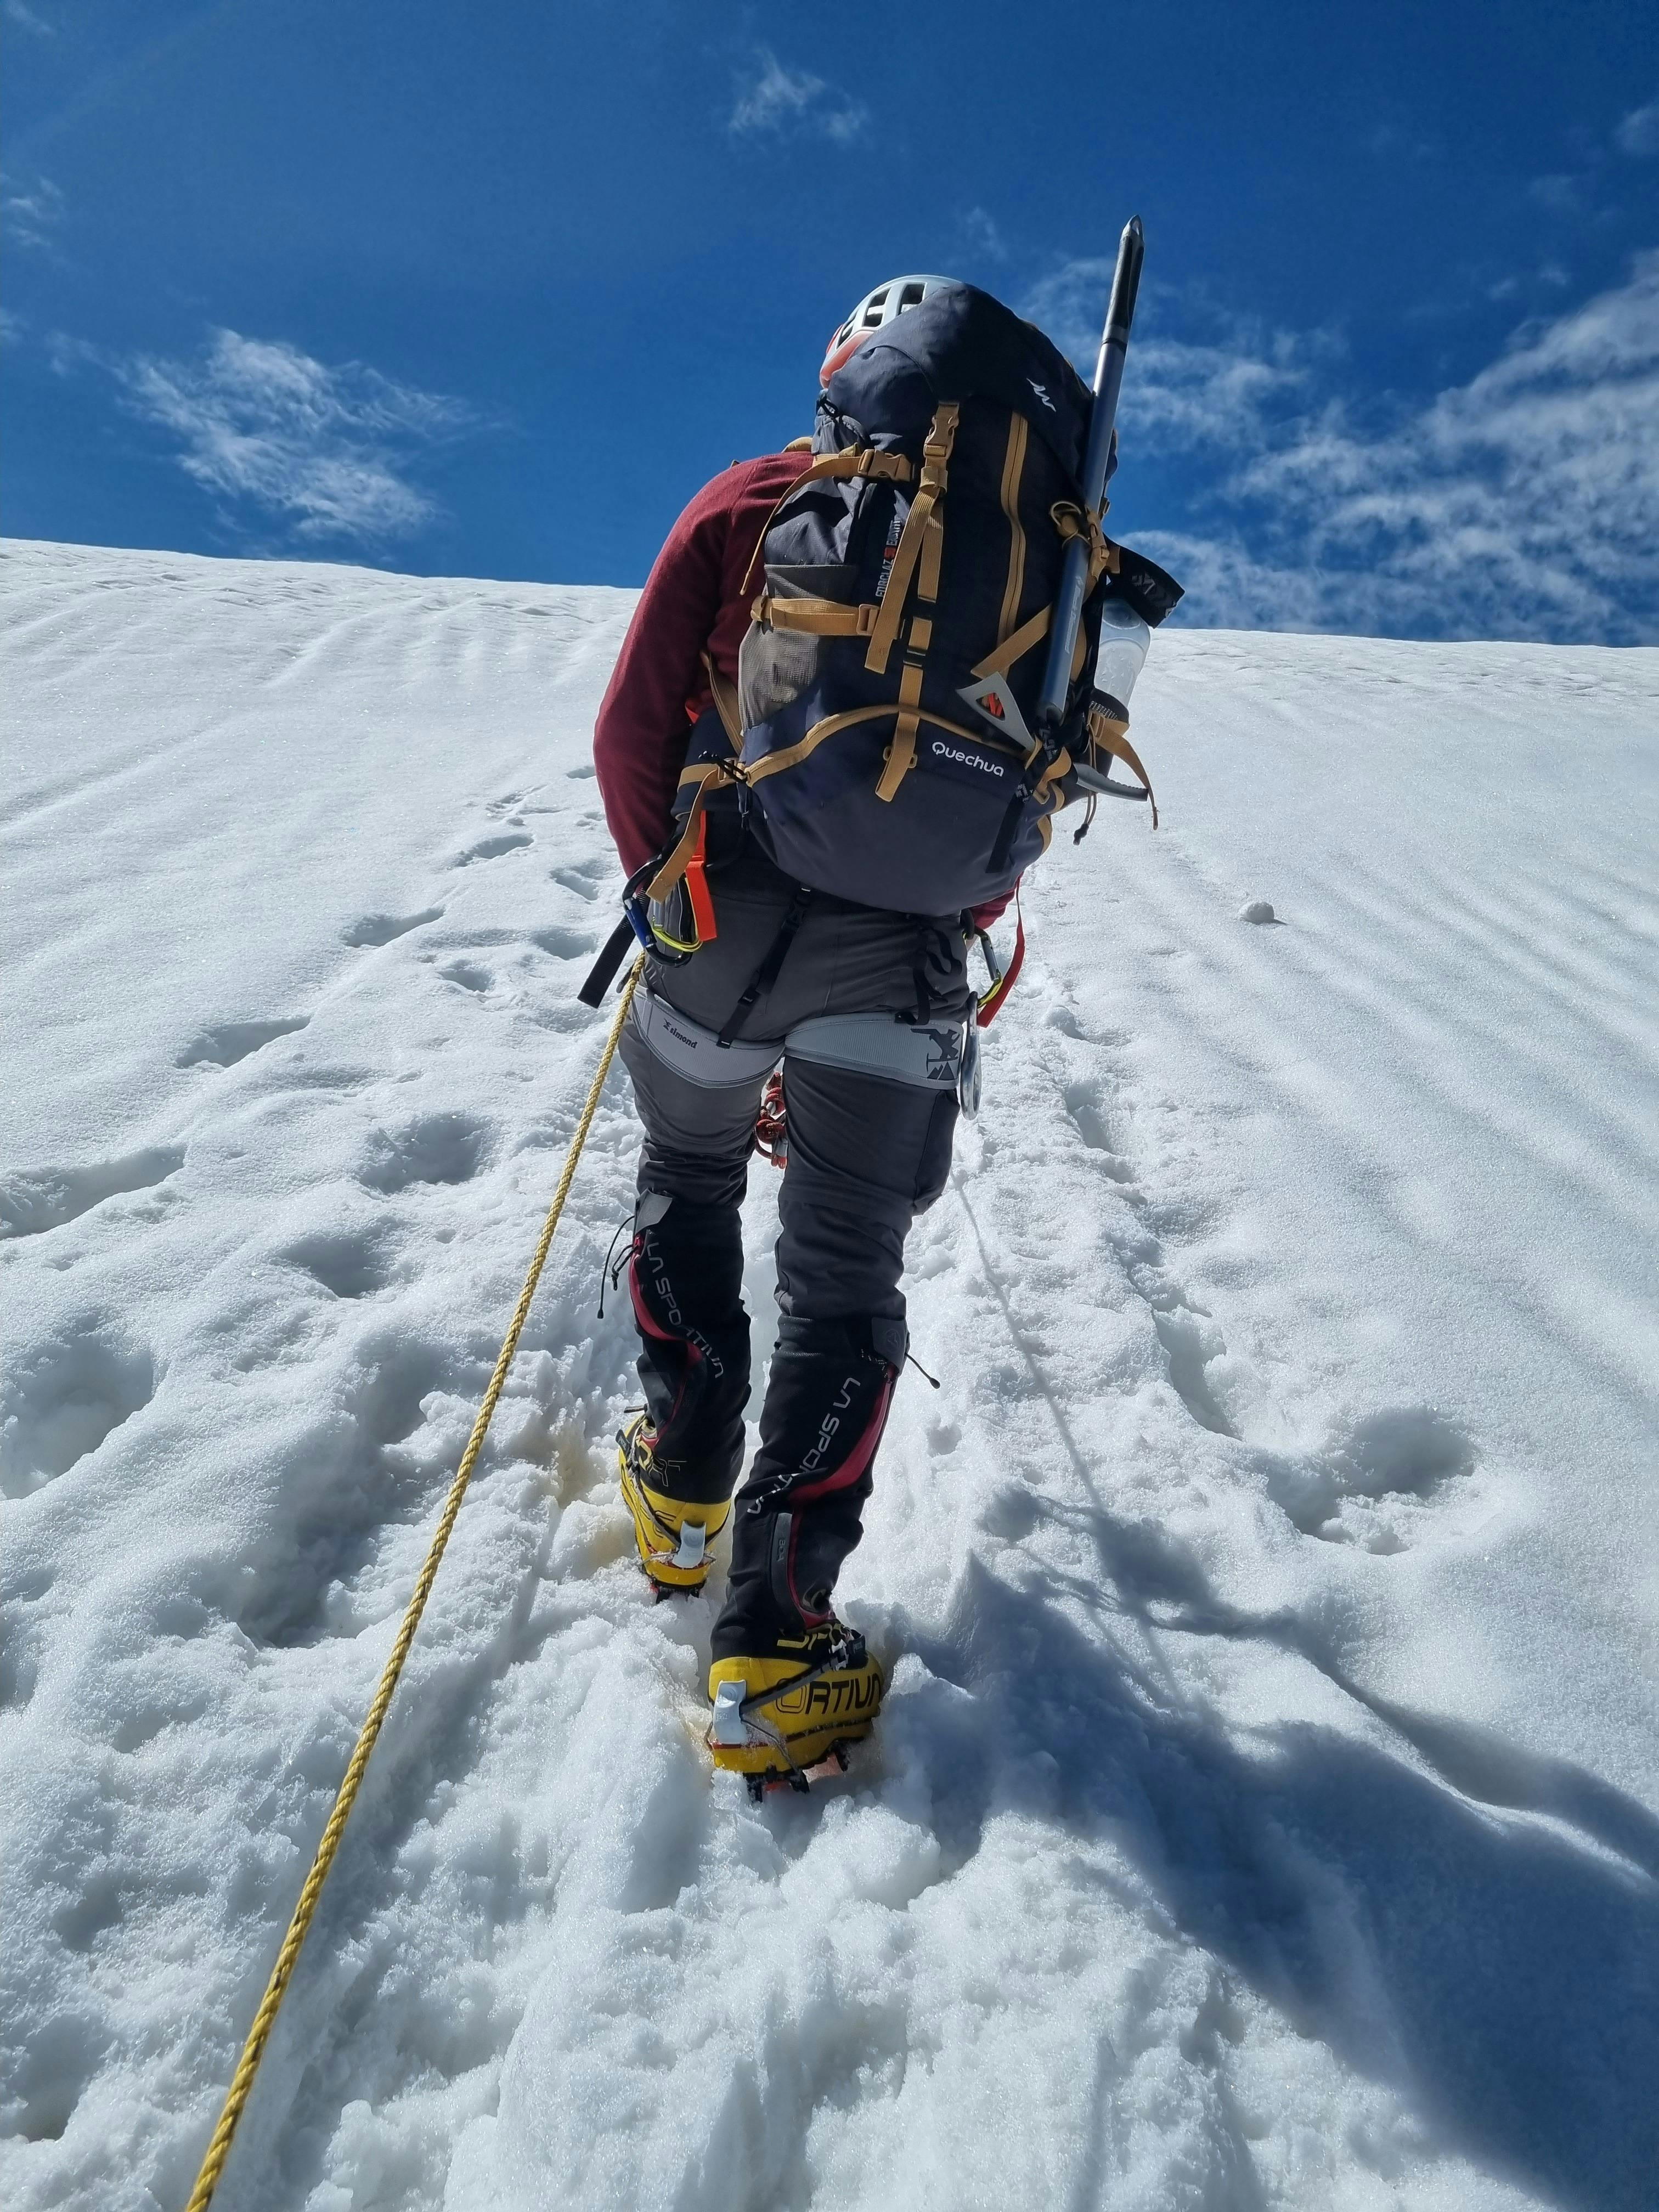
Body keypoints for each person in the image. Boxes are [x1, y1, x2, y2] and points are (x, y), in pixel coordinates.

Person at [592, 278, 1036, 1787]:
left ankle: (684, 1469)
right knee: (845, 1285)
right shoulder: (1033, 551)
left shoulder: (757, 497)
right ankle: (778, 1642)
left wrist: (667, 887)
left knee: (689, 1171)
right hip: (901, 966)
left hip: (718, 923)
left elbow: (631, 728)